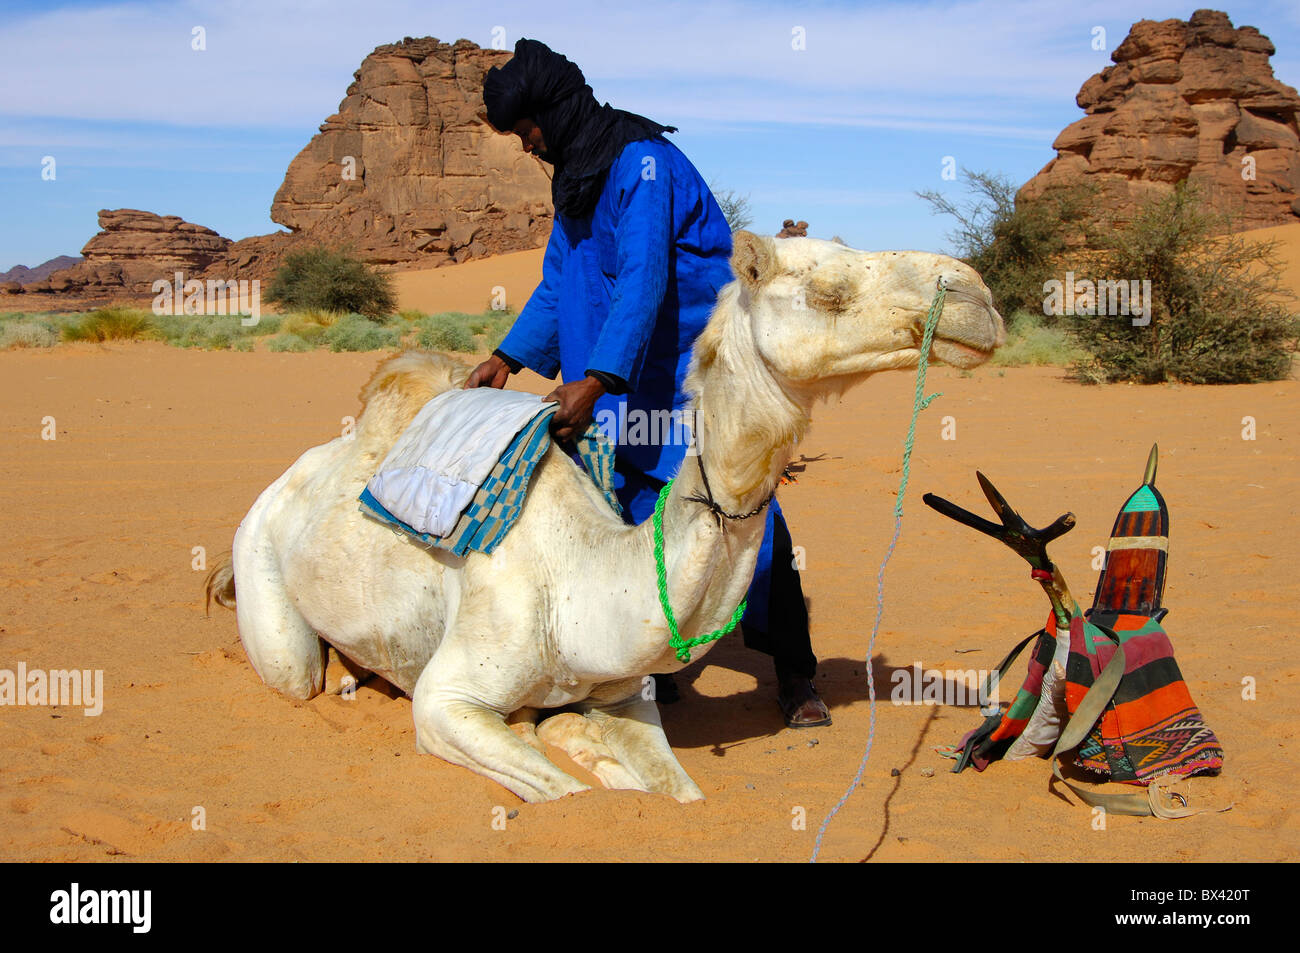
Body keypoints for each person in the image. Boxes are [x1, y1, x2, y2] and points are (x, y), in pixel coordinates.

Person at [467, 38, 830, 727]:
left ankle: (795, 673)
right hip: (628, 393)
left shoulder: (641, 165)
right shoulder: (577, 180)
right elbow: (560, 281)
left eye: (527, 129)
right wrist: (507, 357)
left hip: (697, 385)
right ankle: (658, 668)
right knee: (637, 517)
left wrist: (596, 379)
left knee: (744, 518)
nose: (527, 144)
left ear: (555, 108)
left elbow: (643, 279)